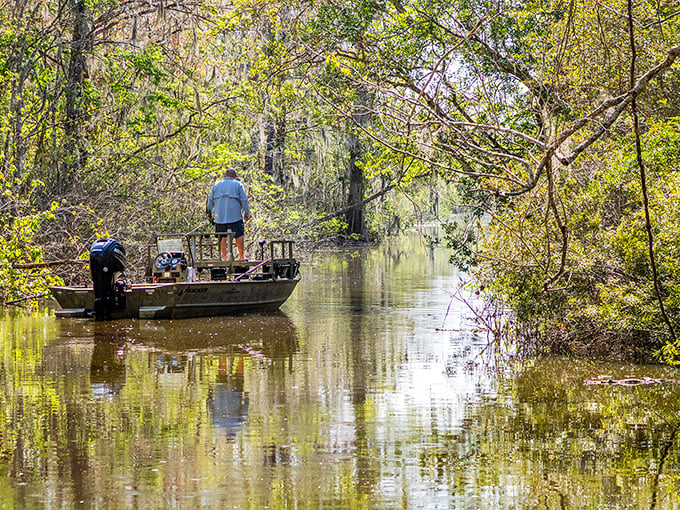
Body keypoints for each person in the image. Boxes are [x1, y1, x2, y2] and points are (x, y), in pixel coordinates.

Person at [206, 168, 250, 261]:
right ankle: (242, 256)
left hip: (219, 217)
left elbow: (210, 201)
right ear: (234, 176)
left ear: (225, 175)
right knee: (239, 235)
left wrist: (209, 214)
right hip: (235, 216)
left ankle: (225, 257)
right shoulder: (237, 184)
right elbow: (244, 200)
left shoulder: (216, 185)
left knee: (222, 236)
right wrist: (246, 213)